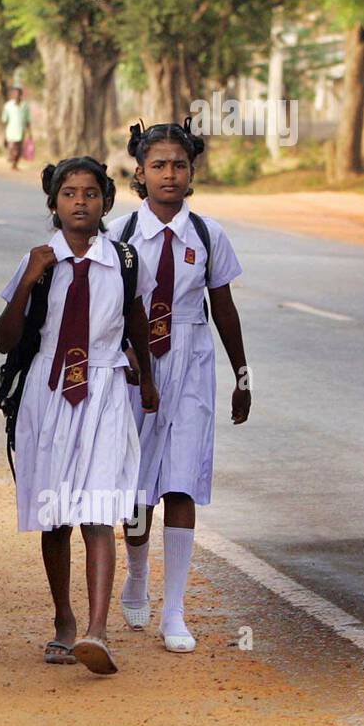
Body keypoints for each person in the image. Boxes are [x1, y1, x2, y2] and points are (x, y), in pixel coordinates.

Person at [0, 157, 159, 674]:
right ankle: (64, 621)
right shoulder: (38, 261)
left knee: (99, 509)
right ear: (54, 203)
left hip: (105, 391)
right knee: (57, 515)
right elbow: (4, 338)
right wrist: (30, 280)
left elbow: (137, 325)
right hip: (49, 392)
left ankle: (98, 630)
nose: (80, 201)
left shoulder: (125, 260)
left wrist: (147, 382)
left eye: (90, 193)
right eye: (69, 193)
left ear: (106, 201)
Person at [107, 120, 251, 653]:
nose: (170, 174)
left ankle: (175, 610)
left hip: (191, 361)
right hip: (135, 367)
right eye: (158, 165)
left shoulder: (208, 235)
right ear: (140, 174)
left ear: (192, 173)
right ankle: (138, 573)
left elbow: (225, 309)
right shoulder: (119, 235)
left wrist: (241, 376)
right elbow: (107, 306)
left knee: (182, 482)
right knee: (138, 487)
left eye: (180, 165)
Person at [3, 84, 31, 169]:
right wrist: (4, 133)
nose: (16, 95)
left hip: (21, 131)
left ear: (21, 94)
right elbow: (5, 120)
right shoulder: (8, 105)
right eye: (15, 93)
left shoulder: (25, 106)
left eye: (18, 93)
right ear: (12, 94)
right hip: (10, 131)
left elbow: (27, 120)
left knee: (19, 149)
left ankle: (14, 164)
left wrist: (30, 132)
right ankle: (11, 159)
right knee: (12, 147)